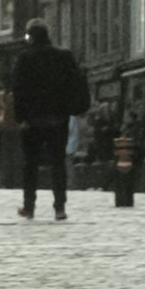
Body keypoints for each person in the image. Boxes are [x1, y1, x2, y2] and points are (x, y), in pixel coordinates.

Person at [10, 13, 87, 223]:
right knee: (58, 163)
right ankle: (59, 207)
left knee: (30, 164)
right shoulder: (64, 56)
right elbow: (76, 83)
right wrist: (72, 108)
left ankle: (29, 206)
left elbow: (18, 90)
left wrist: (20, 116)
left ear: (30, 36)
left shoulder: (25, 58)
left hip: (33, 120)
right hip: (58, 118)